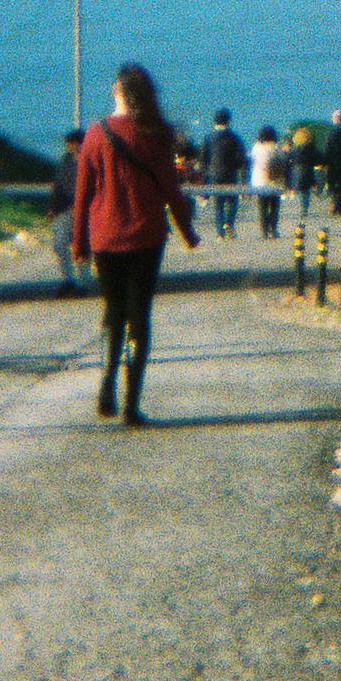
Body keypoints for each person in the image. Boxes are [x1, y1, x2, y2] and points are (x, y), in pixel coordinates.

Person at [72, 63, 198, 427]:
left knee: (113, 312)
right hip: (146, 236)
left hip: (105, 238)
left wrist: (79, 242)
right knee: (139, 316)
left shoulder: (95, 134)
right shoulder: (155, 135)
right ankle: (131, 403)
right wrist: (187, 233)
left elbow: (82, 195)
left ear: (116, 91)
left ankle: (107, 382)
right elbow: (171, 191)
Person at [49, 128, 84, 291]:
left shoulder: (93, 160)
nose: (72, 147)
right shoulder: (65, 161)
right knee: (60, 243)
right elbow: (58, 186)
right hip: (64, 209)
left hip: (86, 210)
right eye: (70, 144)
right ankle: (67, 279)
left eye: (75, 143)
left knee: (83, 245)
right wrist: (52, 207)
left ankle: (83, 281)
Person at [203, 106, 245, 237]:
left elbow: (203, 157)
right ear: (228, 121)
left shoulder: (208, 138)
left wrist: (207, 171)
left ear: (214, 121)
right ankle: (229, 224)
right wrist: (237, 167)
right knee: (232, 201)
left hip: (214, 173)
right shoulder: (234, 137)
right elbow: (241, 157)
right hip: (230, 173)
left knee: (218, 204)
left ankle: (220, 233)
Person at [249, 124, 282, 240]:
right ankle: (273, 229)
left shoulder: (256, 148)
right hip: (274, 181)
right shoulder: (276, 148)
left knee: (262, 207)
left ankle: (264, 230)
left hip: (259, 180)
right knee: (274, 207)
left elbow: (252, 161)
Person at [283, 124, 317, 230]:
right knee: (306, 194)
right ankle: (304, 210)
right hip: (308, 173)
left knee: (298, 192)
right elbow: (319, 159)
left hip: (296, 173)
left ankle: (299, 211)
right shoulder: (311, 150)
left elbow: (287, 161)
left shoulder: (294, 150)